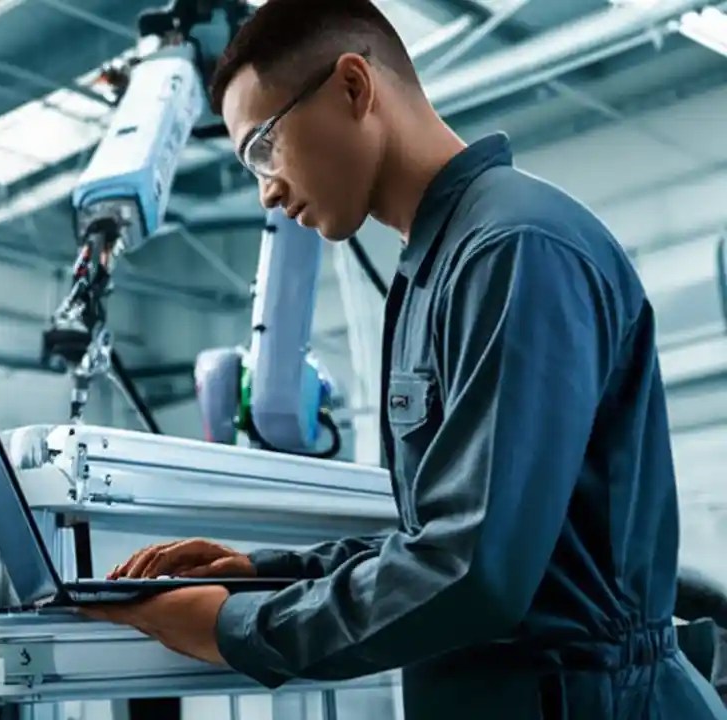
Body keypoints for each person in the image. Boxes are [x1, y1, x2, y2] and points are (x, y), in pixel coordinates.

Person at [80, 0, 727, 717]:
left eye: (264, 147)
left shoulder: (513, 250)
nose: (266, 187)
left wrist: (232, 628)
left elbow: (472, 570)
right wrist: (262, 576)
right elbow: (439, 534)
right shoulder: (439, 266)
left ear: (354, 88)